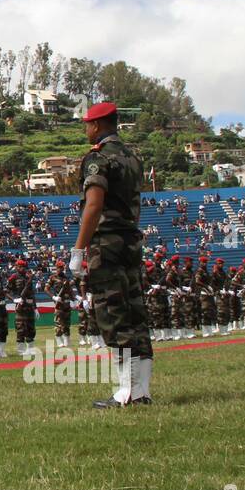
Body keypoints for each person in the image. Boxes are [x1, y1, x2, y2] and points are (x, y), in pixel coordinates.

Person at [70, 101, 152, 409]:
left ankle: (126, 392)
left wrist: (79, 248)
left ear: (98, 125)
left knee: (113, 313)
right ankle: (141, 390)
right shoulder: (132, 157)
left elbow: (93, 205)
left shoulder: (98, 158)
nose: (86, 129)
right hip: (130, 239)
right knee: (135, 313)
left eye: (88, 124)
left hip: (107, 243)